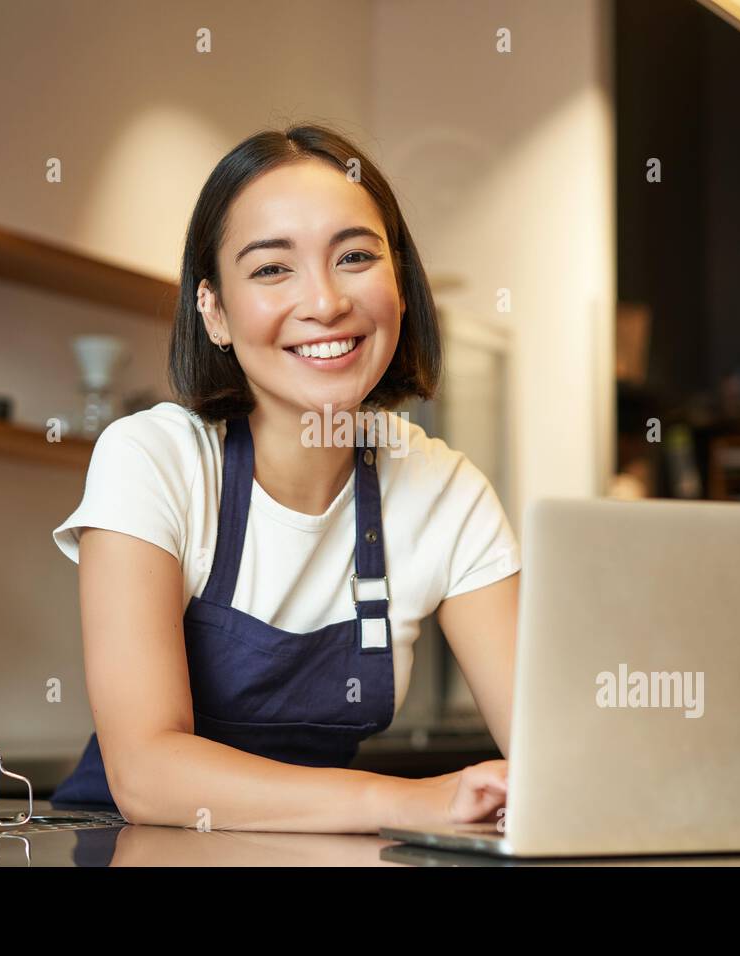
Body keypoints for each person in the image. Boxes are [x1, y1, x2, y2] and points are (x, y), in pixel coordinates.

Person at [50, 123, 519, 834]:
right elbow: (146, 772)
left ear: (400, 281)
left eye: (355, 256)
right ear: (214, 312)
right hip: (137, 850)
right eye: (272, 269)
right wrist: (410, 800)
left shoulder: (445, 493)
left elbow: (554, 751)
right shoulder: (153, 460)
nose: (325, 302)